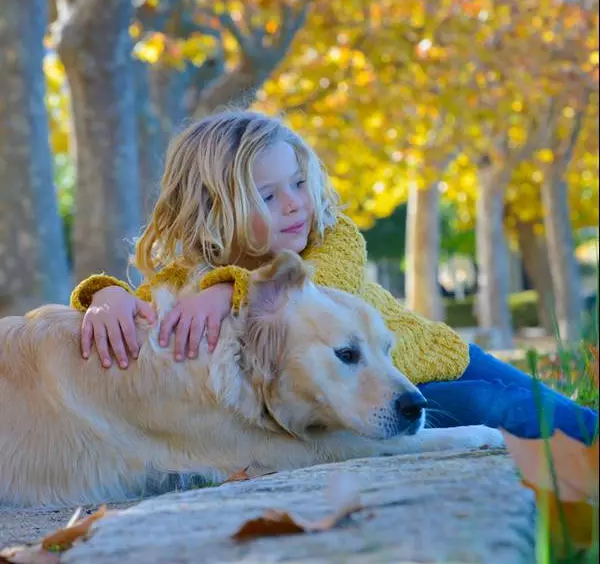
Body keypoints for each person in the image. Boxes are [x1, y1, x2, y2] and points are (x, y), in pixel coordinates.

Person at [70, 111, 598, 446]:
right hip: (380, 398)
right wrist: (106, 297)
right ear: (217, 210)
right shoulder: (196, 278)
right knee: (491, 407)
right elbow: (152, 308)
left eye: (299, 182)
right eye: (269, 196)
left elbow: (312, 290)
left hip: (439, 354)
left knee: (549, 404)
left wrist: (230, 289)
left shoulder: (331, 238)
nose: (296, 204)